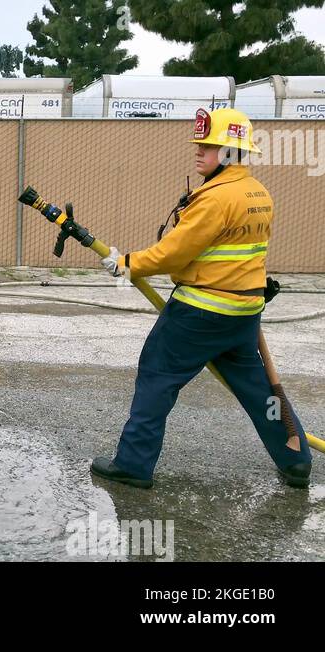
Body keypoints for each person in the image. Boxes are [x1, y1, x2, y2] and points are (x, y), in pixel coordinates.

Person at [92, 107, 313, 490]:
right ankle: (296, 460)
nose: (199, 151)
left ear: (230, 153)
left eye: (209, 146)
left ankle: (132, 464)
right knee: (259, 389)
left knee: (157, 377)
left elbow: (174, 253)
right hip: (243, 313)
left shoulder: (214, 199)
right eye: (200, 144)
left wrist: (126, 264)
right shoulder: (258, 193)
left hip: (200, 313)